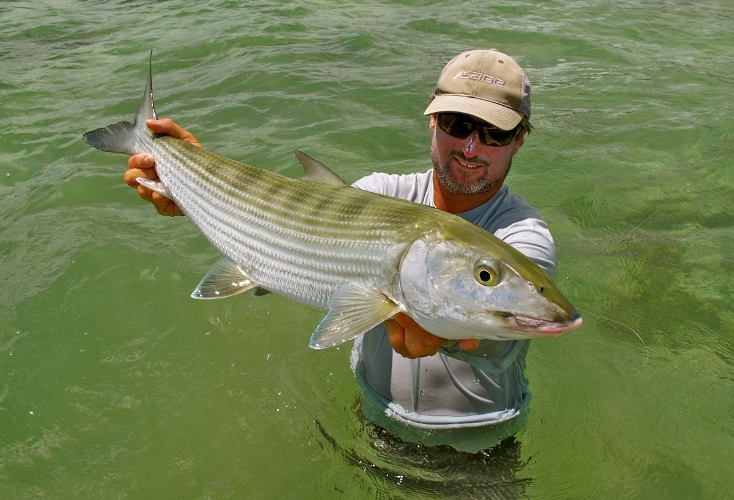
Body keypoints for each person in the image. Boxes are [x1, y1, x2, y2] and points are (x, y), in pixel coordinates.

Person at [124, 49, 558, 453]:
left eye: (494, 133)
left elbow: (501, 334)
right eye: (457, 125)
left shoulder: (522, 238)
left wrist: (454, 336)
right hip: (371, 422)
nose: (470, 147)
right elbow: (287, 230)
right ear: (432, 121)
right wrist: (195, 179)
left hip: (478, 446)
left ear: (519, 140)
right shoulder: (377, 193)